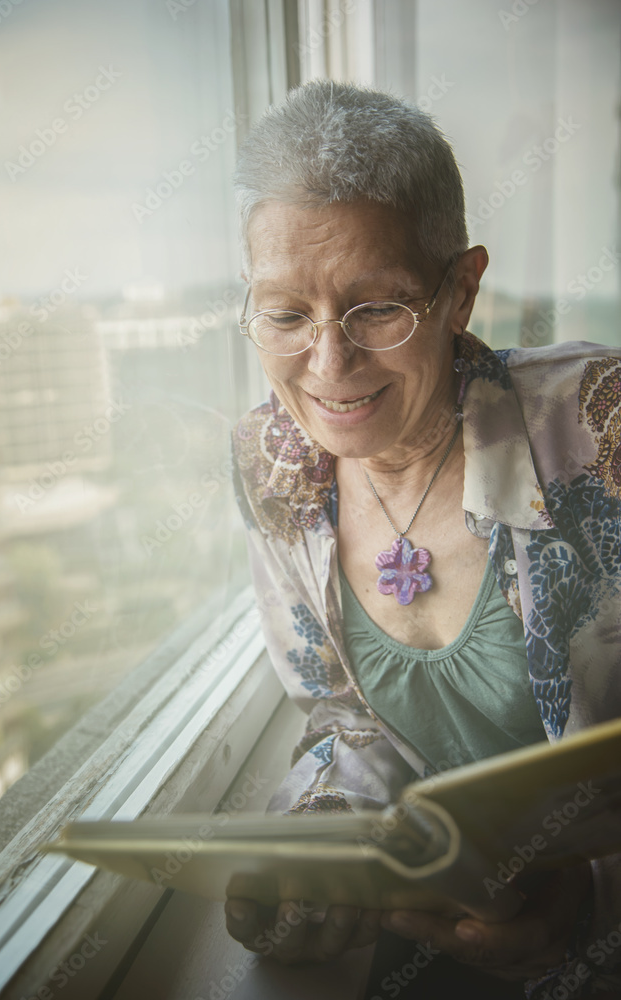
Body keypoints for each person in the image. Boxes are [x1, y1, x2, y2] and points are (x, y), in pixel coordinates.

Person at [225, 79, 621, 997]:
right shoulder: (270, 459)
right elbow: (348, 713)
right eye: (285, 314)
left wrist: (588, 909)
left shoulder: (603, 428)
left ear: (461, 291)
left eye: (377, 309)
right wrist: (315, 839)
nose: (328, 366)